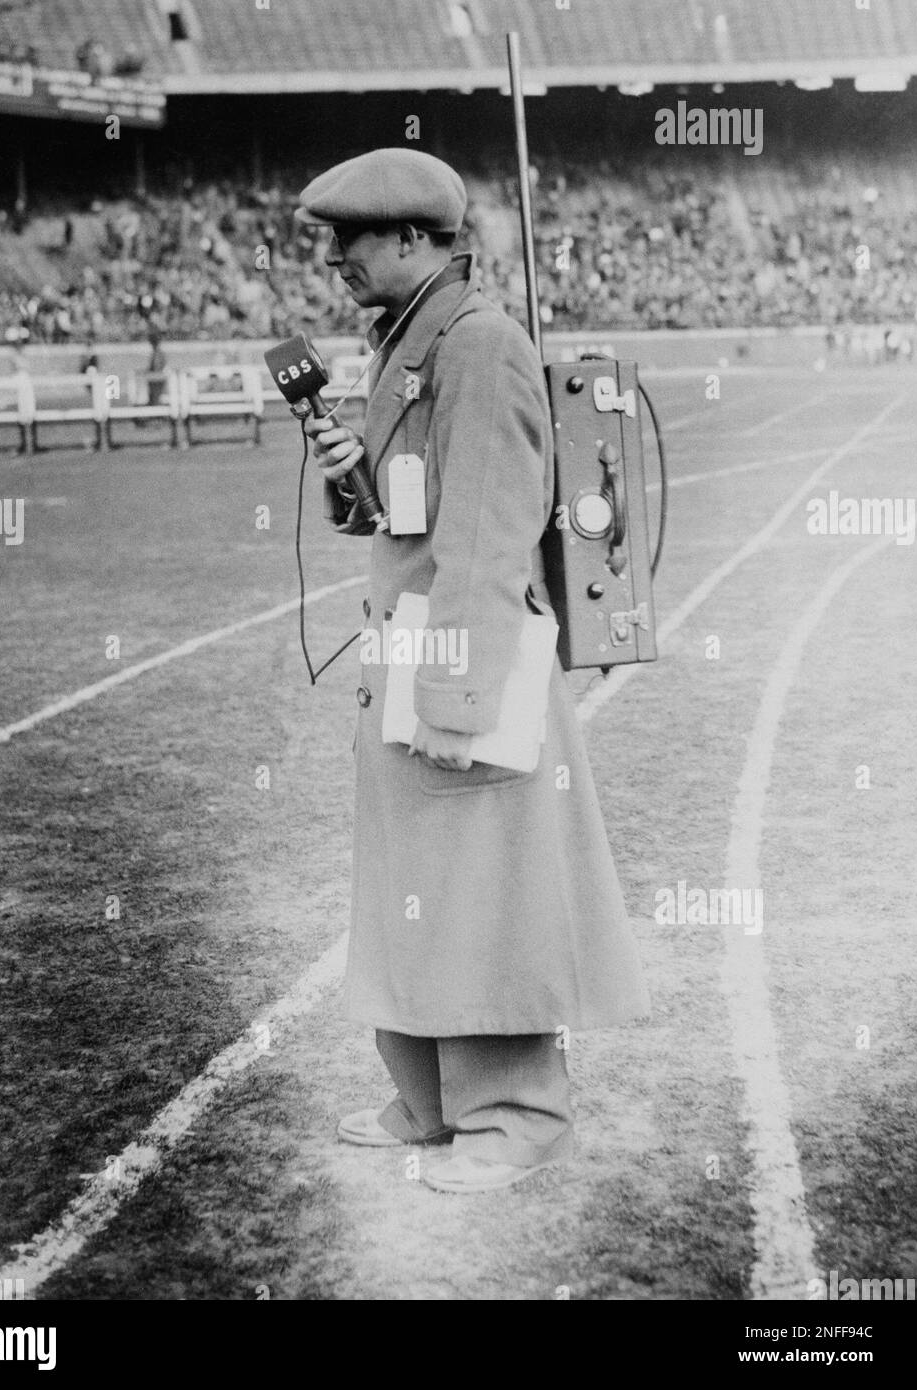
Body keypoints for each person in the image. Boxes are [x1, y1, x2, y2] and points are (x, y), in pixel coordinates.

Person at [295, 148, 649, 1195]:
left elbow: (490, 534)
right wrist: (351, 485)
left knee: (483, 891)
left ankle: (518, 1114)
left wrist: (454, 693)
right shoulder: (410, 340)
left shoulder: (479, 345)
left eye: (352, 241)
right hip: (414, 648)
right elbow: (419, 505)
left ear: (414, 239)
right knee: (413, 887)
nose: (337, 262)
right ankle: (431, 1101)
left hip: (462, 656)